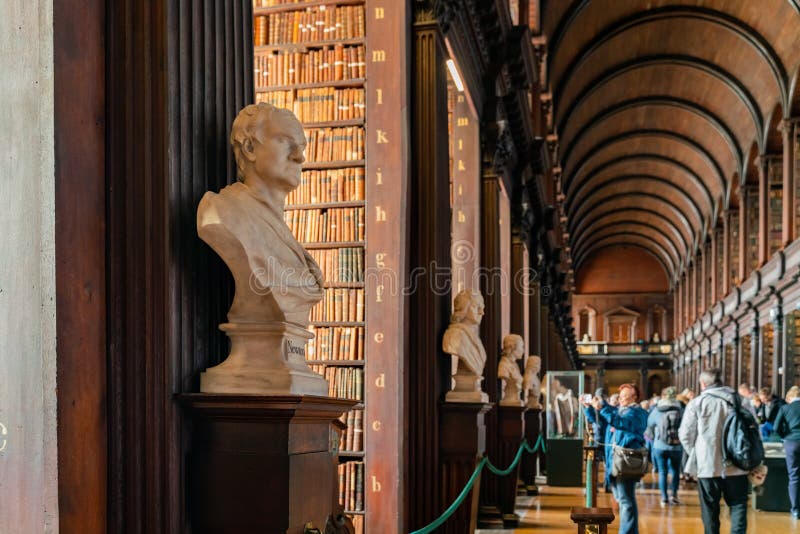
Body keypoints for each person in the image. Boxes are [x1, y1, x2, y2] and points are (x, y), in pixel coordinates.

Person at [679, 368, 749, 534]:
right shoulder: (741, 401)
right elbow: (753, 431)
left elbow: (685, 435)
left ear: (703, 383)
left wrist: (698, 453)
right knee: (738, 506)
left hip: (708, 466)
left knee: (710, 511)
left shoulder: (697, 403)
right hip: (737, 465)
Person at [592, 384, 648, 534]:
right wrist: (591, 408)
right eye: (621, 396)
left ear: (635, 397)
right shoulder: (621, 410)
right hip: (614, 460)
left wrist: (603, 407)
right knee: (620, 497)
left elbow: (620, 422)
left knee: (626, 500)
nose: (621, 399)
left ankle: (627, 532)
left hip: (626, 461)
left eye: (625, 396)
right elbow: (602, 421)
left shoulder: (638, 413)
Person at [646, 386, 683, 507]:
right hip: (677, 446)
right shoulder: (681, 409)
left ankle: (664, 497)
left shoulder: (657, 410)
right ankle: (674, 495)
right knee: (675, 471)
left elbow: (649, 425)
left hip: (659, 446)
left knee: (662, 472)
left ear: (663, 396)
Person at [774, 385, 800, 519]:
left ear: (790, 397)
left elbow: (776, 427)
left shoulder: (785, 408)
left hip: (792, 443)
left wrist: (785, 436)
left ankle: (795, 510)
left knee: (794, 475)